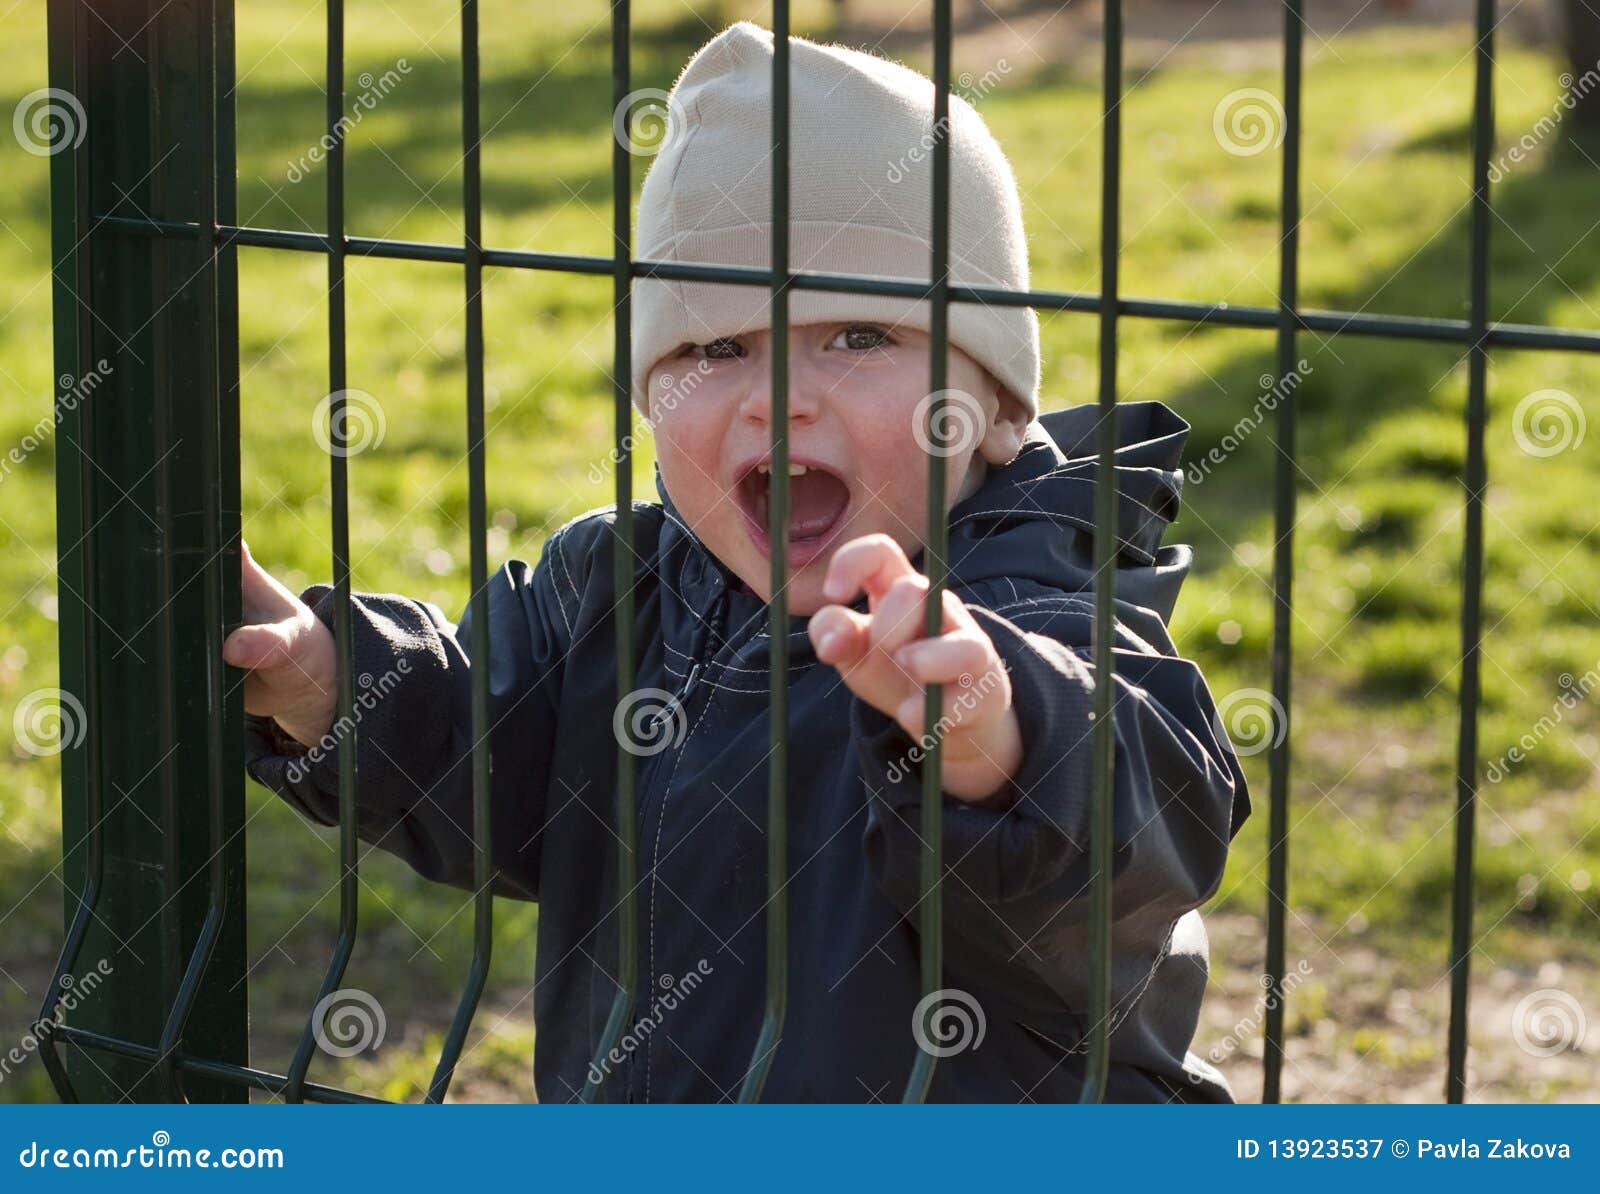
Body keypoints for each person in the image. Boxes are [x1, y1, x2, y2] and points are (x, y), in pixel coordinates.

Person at [231, 21, 1250, 1103]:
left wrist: (997, 739)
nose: (776, 399)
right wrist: (332, 682)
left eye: (856, 336)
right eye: (714, 350)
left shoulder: (1041, 599)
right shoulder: (611, 595)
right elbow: (493, 757)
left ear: (992, 402)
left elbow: (1150, 808)